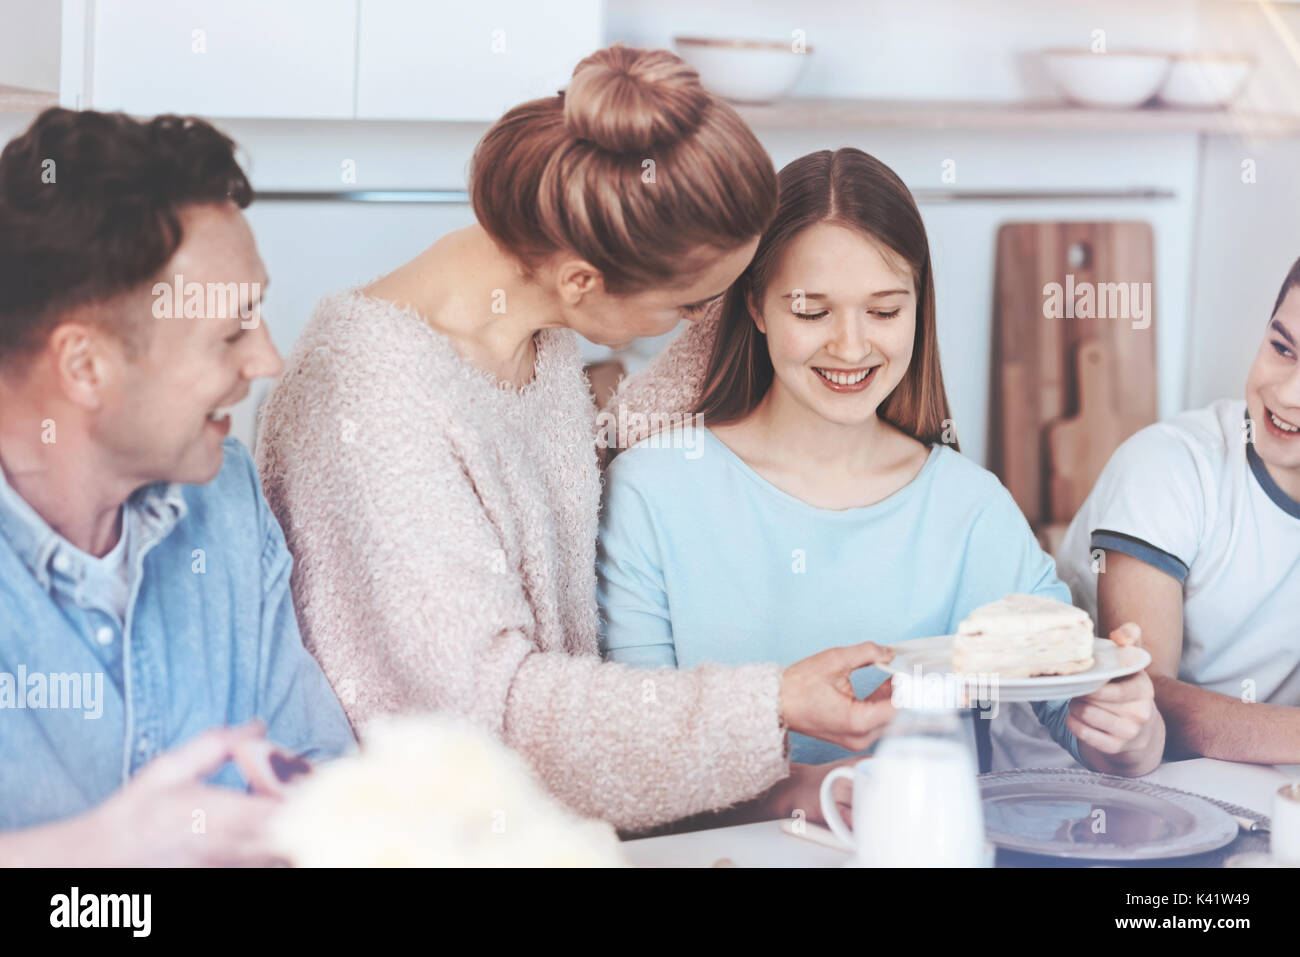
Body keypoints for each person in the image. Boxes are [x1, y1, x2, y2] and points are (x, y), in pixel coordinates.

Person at [255, 46, 897, 834]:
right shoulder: (372, 411)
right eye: (694, 306)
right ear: (583, 281)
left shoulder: (533, 336)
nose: (705, 322)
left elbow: (583, 463)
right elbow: (496, 721)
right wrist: (768, 706)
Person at [597, 148, 1165, 822]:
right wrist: (812, 794)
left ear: (918, 307)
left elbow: (1078, 727)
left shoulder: (969, 508)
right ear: (755, 305)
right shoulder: (653, 491)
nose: (850, 345)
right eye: (812, 311)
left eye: (885, 310)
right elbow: (633, 758)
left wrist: (1131, 732)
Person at [0, 108, 354, 864]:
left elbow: (317, 767)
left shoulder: (223, 496)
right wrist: (94, 854)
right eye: (232, 333)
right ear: (85, 367)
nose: (269, 361)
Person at [998, 256, 1300, 768]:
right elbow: (1146, 701)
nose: (1288, 394)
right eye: (1282, 347)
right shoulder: (1170, 466)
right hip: (1066, 785)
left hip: (1238, 787)